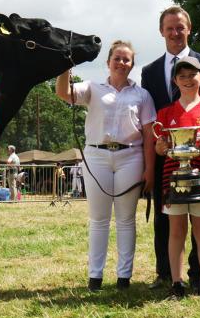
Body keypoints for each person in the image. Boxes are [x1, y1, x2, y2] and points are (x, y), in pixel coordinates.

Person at [56, 40, 156, 291]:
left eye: (127, 60)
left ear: (132, 64)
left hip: (130, 157)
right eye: (117, 58)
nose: (122, 63)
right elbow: (63, 93)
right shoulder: (93, 88)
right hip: (97, 155)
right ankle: (95, 277)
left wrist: (149, 169)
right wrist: (65, 67)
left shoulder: (141, 94)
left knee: (125, 219)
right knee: (99, 219)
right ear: (108, 61)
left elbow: (148, 134)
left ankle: (124, 277)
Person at [141, 6, 200, 289]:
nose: (175, 33)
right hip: (169, 167)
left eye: (180, 27)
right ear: (162, 31)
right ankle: (167, 275)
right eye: (169, 28)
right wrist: (159, 150)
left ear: (189, 29)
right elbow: (152, 125)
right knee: (169, 226)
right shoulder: (150, 72)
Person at [155, 56, 200, 298]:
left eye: (192, 75)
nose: (187, 80)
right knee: (176, 230)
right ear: (175, 80)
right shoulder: (165, 113)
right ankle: (177, 283)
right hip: (172, 177)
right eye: (182, 76)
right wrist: (160, 148)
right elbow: (159, 148)